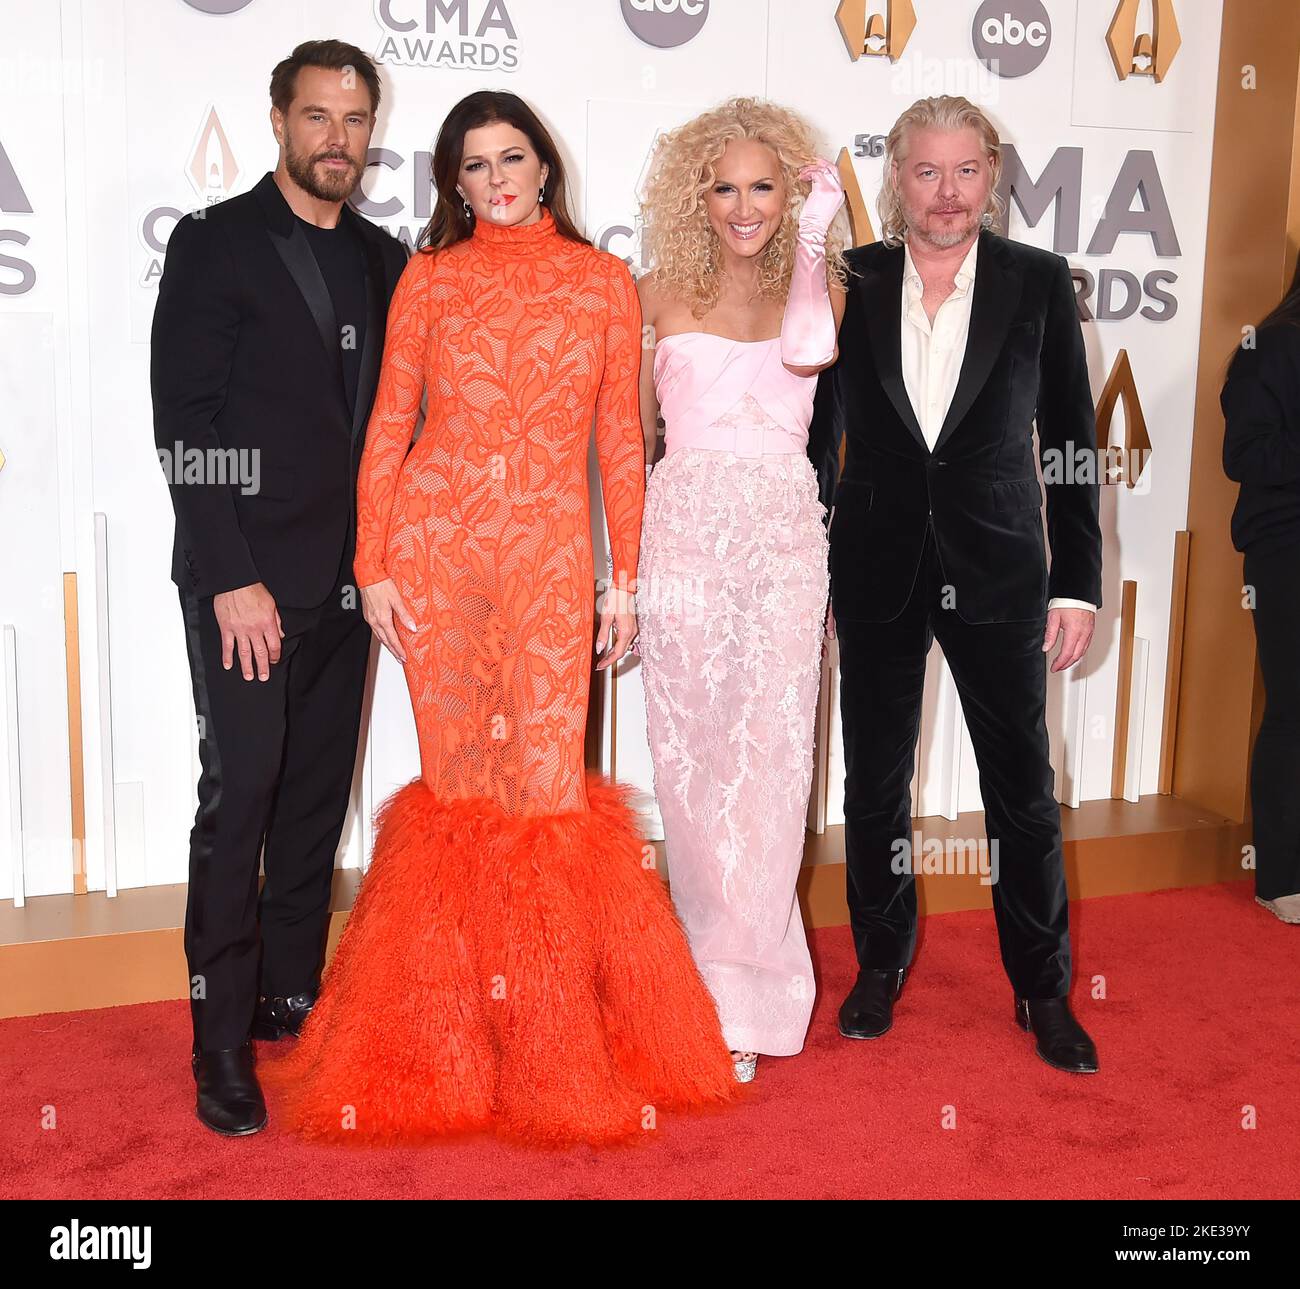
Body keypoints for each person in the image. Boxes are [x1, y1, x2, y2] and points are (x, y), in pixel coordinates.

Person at [257, 91, 740, 1147]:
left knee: (545, 795)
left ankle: (549, 1042)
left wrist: (627, 580)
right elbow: (389, 423)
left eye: (509, 157)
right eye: (471, 168)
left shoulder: (601, 281)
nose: (494, 181)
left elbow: (621, 439)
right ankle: (442, 1045)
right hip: (439, 558)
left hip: (554, 568)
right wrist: (371, 561)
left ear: (544, 163)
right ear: (452, 183)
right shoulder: (428, 277)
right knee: (460, 798)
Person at [810, 95, 1103, 1073]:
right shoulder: (851, 278)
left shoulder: (1037, 281)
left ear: (992, 176)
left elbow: (1068, 437)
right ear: (895, 176)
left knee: (1020, 789)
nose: (947, 193)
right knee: (875, 784)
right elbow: (816, 439)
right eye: (926, 171)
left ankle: (1041, 987)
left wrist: (1079, 583)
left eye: (966, 171)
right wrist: (807, 565)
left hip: (1001, 570)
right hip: (875, 565)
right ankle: (879, 966)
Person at [150, 39, 408, 1136]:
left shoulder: (388, 259)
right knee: (242, 793)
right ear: (278, 121)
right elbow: (185, 429)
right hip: (246, 585)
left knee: (312, 804)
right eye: (317, 118)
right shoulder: (218, 245)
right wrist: (232, 579)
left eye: (354, 121)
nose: (337, 140)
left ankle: (289, 1000)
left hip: (347, 587)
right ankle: (218, 1042)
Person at [634, 98, 847, 1082]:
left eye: (764, 184)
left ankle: (755, 997)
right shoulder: (653, 295)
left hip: (782, 543)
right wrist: (622, 576)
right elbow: (632, 445)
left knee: (769, 771)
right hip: (683, 537)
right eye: (724, 185)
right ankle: (698, 982)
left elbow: (806, 349)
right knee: (691, 768)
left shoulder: (821, 291)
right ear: (696, 194)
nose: (742, 204)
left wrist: (816, 235)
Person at [1222, 256, 1300, 925]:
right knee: (1295, 708)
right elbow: (1244, 455)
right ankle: (1280, 875)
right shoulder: (1268, 345)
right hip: (1288, 550)